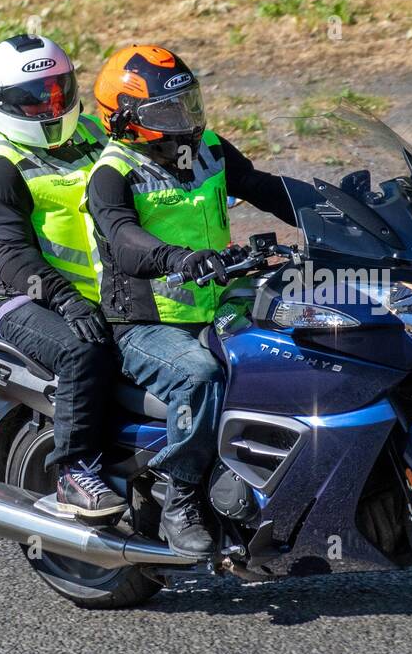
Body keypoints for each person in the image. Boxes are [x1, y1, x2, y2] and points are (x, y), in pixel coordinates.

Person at [88, 45, 295, 556]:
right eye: (166, 113)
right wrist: (178, 259)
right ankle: (181, 497)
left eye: (187, 105)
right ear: (125, 121)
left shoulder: (208, 147)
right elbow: (124, 240)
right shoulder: (111, 175)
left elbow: (261, 186)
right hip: (147, 321)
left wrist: (334, 206)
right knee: (200, 376)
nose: (183, 122)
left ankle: (263, 472)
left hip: (220, 299)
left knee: (300, 335)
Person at [0, 35, 125, 521]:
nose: (50, 106)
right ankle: (74, 472)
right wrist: (67, 301)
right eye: (34, 97)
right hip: (25, 298)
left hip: (106, 290)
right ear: (2, 102)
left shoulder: (94, 135)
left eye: (57, 91)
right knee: (82, 350)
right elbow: (11, 255)